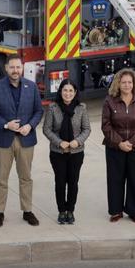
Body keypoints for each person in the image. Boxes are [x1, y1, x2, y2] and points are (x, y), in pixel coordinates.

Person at [0, 54, 44, 227]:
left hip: (26, 139)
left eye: (18, 67)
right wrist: (5, 125)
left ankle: (27, 211)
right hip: (3, 140)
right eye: (12, 67)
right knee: (2, 179)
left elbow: (38, 111)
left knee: (26, 177)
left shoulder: (31, 87)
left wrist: (30, 126)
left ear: (22, 68)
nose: (15, 70)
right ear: (6, 68)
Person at [101, 68, 135, 223]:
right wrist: (120, 143)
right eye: (124, 82)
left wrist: (131, 142)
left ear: (134, 83)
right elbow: (106, 125)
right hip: (115, 147)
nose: (127, 85)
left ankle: (134, 211)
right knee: (115, 179)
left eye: (130, 82)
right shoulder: (109, 101)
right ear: (118, 83)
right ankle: (116, 211)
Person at [41, 80, 90, 225]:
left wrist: (78, 141)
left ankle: (71, 211)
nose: (67, 93)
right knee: (60, 182)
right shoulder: (53, 108)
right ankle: (61, 211)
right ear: (60, 92)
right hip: (58, 152)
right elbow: (46, 129)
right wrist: (59, 142)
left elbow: (86, 129)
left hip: (76, 152)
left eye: (70, 91)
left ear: (75, 93)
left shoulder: (81, 108)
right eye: (65, 90)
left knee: (73, 182)